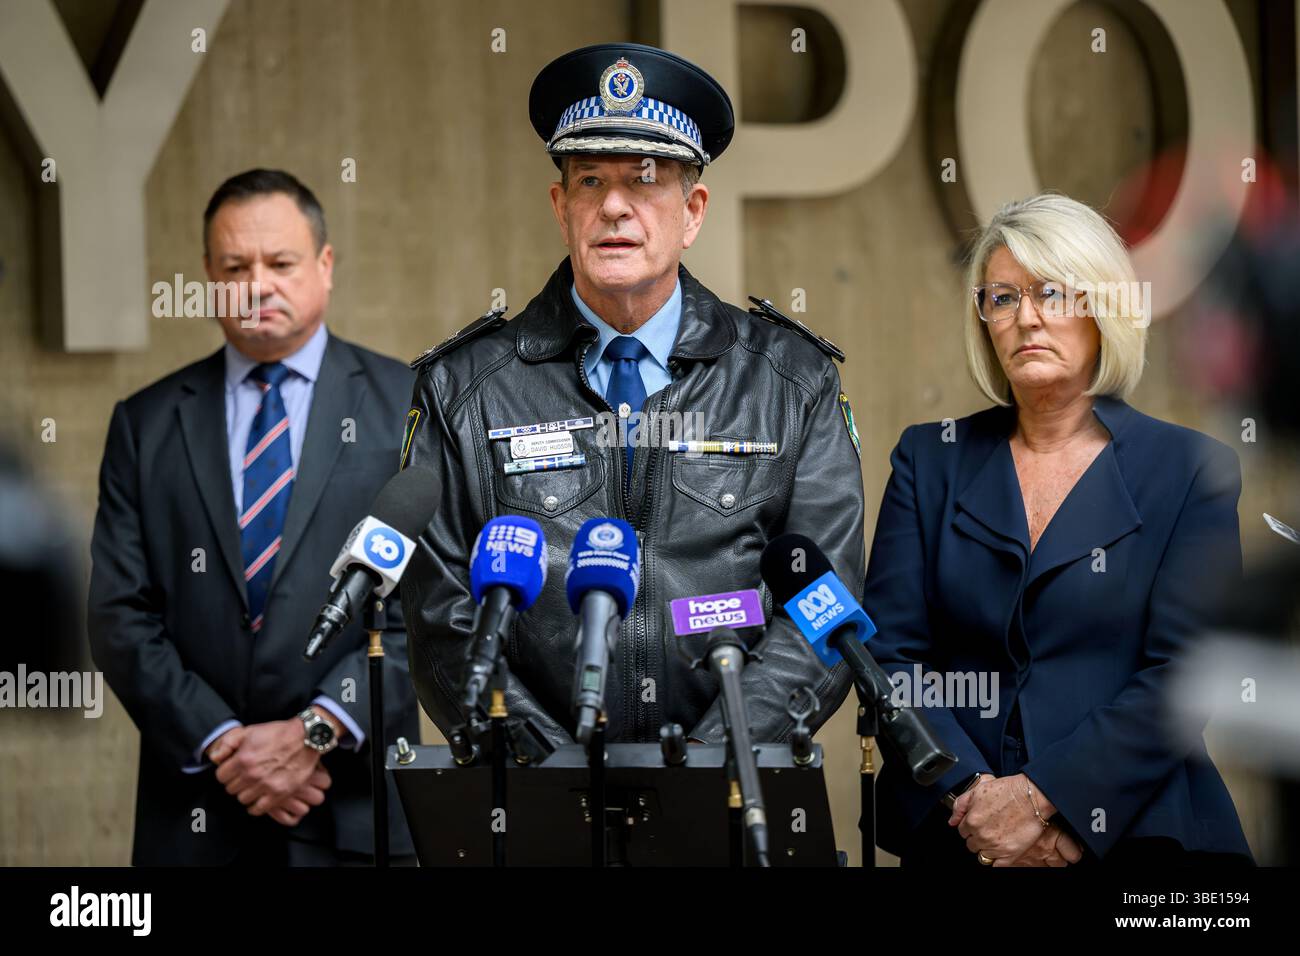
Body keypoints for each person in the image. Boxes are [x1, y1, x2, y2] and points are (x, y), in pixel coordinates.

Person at [401, 43, 865, 748]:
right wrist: (554, 775)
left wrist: (708, 768)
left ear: (693, 210)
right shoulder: (465, 388)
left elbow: (823, 607)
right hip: (534, 810)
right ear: (561, 207)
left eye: (644, 181)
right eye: (589, 181)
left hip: (734, 801)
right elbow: (441, 619)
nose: (613, 206)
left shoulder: (790, 381)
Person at [866, 192, 1252, 866]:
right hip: (959, 831)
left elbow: (1185, 675)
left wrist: (1049, 800)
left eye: (1053, 293)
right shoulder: (930, 458)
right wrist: (974, 798)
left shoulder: (1192, 469)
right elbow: (890, 657)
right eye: (1003, 298)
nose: (1027, 319)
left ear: (1103, 306)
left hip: (1139, 836)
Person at [88, 169, 419, 865]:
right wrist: (222, 740)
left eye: (281, 263)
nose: (258, 283)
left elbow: (436, 606)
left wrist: (317, 731)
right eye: (236, 266)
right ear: (208, 275)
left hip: (356, 814)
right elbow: (119, 614)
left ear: (324, 267)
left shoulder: (408, 403)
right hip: (200, 815)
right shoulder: (146, 423)